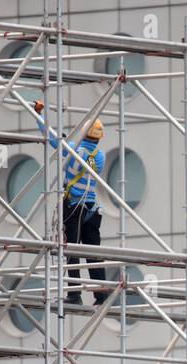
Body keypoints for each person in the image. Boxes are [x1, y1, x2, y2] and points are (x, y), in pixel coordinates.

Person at [34, 100, 107, 306]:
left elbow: (50, 135)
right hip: (92, 211)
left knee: (71, 251)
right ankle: (101, 295)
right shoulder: (100, 157)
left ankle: (74, 295)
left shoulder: (72, 149)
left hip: (73, 208)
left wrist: (38, 114)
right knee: (93, 255)